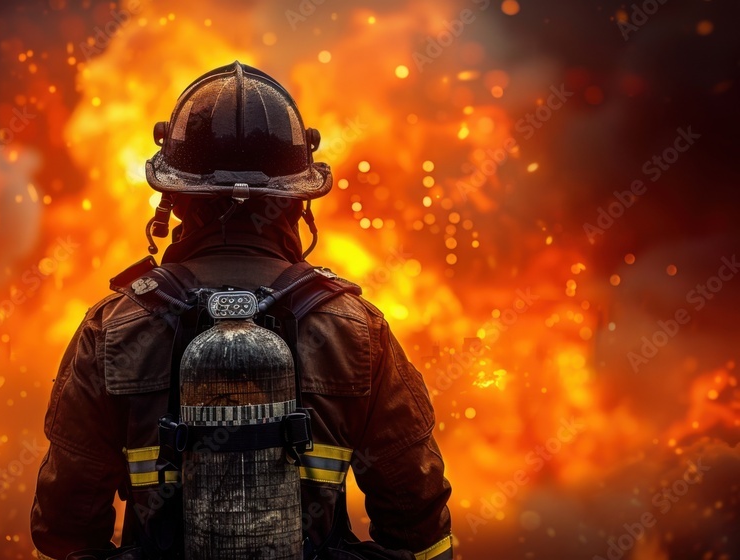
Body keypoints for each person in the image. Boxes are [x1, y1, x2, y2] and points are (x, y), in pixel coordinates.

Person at [31, 62, 452, 560]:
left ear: (174, 199)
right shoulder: (357, 330)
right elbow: (418, 523)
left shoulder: (112, 329)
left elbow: (65, 530)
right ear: (299, 201)